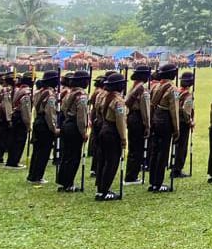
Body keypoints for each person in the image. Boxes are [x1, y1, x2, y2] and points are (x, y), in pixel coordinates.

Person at [147, 63, 180, 193]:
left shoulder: (156, 87)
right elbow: (174, 110)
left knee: (155, 151)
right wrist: (176, 129)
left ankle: (152, 181)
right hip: (165, 121)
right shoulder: (172, 89)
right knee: (162, 153)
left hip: (155, 119)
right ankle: (158, 183)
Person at [94, 73, 127, 201]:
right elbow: (120, 121)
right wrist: (123, 138)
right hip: (112, 131)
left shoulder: (104, 97)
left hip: (103, 128)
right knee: (111, 162)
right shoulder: (118, 101)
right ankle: (105, 191)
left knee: (102, 161)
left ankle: (100, 188)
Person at [56, 70, 90, 192]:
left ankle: (63, 181)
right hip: (75, 126)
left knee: (66, 155)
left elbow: (64, 109)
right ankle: (68, 183)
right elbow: (81, 117)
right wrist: (83, 132)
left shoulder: (70, 93)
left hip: (67, 123)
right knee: (74, 156)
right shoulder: (81, 96)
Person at [27, 71, 60, 184]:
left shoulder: (39, 92)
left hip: (38, 120)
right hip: (45, 123)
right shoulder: (50, 95)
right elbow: (50, 114)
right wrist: (53, 128)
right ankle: (37, 176)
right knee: (43, 152)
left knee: (37, 150)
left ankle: (32, 174)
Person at [122, 65, 152, 186]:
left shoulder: (133, 87)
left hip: (131, 117)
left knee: (133, 148)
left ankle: (131, 174)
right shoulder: (142, 90)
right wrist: (147, 125)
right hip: (138, 119)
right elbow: (145, 110)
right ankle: (131, 176)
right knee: (137, 149)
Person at [5, 73, 33, 170]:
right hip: (20, 117)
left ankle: (11, 160)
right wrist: (28, 124)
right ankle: (14, 161)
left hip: (15, 115)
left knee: (13, 139)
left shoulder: (17, 90)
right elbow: (26, 110)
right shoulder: (26, 93)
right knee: (19, 141)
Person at [172, 71, 195, 178]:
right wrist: (190, 122)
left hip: (174, 121)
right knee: (182, 147)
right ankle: (177, 169)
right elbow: (186, 112)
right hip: (182, 123)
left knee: (177, 145)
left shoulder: (177, 92)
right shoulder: (188, 96)